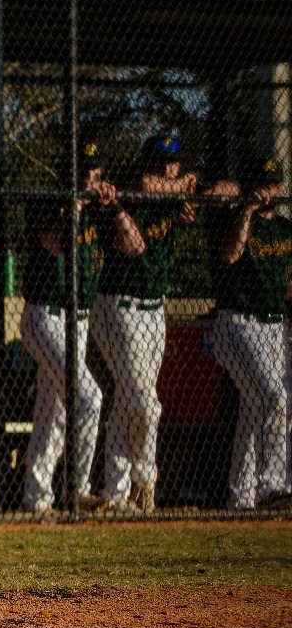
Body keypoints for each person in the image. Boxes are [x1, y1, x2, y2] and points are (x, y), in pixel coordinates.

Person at [89, 129, 195, 513]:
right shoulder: (133, 187)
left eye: (173, 161)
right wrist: (180, 185)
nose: (167, 169)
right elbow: (149, 184)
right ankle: (145, 480)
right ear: (145, 163)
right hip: (118, 305)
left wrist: (185, 190)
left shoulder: (173, 196)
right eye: (159, 161)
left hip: (155, 309)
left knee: (129, 400)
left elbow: (214, 190)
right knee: (146, 404)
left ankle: (115, 492)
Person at [18, 143, 113, 514]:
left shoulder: (99, 215)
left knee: (52, 412)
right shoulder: (48, 201)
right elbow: (55, 245)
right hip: (45, 315)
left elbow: (133, 246)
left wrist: (114, 205)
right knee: (88, 398)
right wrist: (74, 206)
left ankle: (37, 498)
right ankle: (78, 489)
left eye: (96, 172)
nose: (91, 178)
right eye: (84, 171)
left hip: (80, 319)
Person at [204, 157, 292, 511]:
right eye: (261, 183)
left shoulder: (286, 229)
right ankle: (272, 487)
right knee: (274, 397)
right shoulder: (238, 218)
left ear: (281, 188)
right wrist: (247, 211)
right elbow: (230, 254)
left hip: (274, 325)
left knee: (255, 407)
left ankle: (241, 497)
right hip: (237, 322)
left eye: (272, 185)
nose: (266, 192)